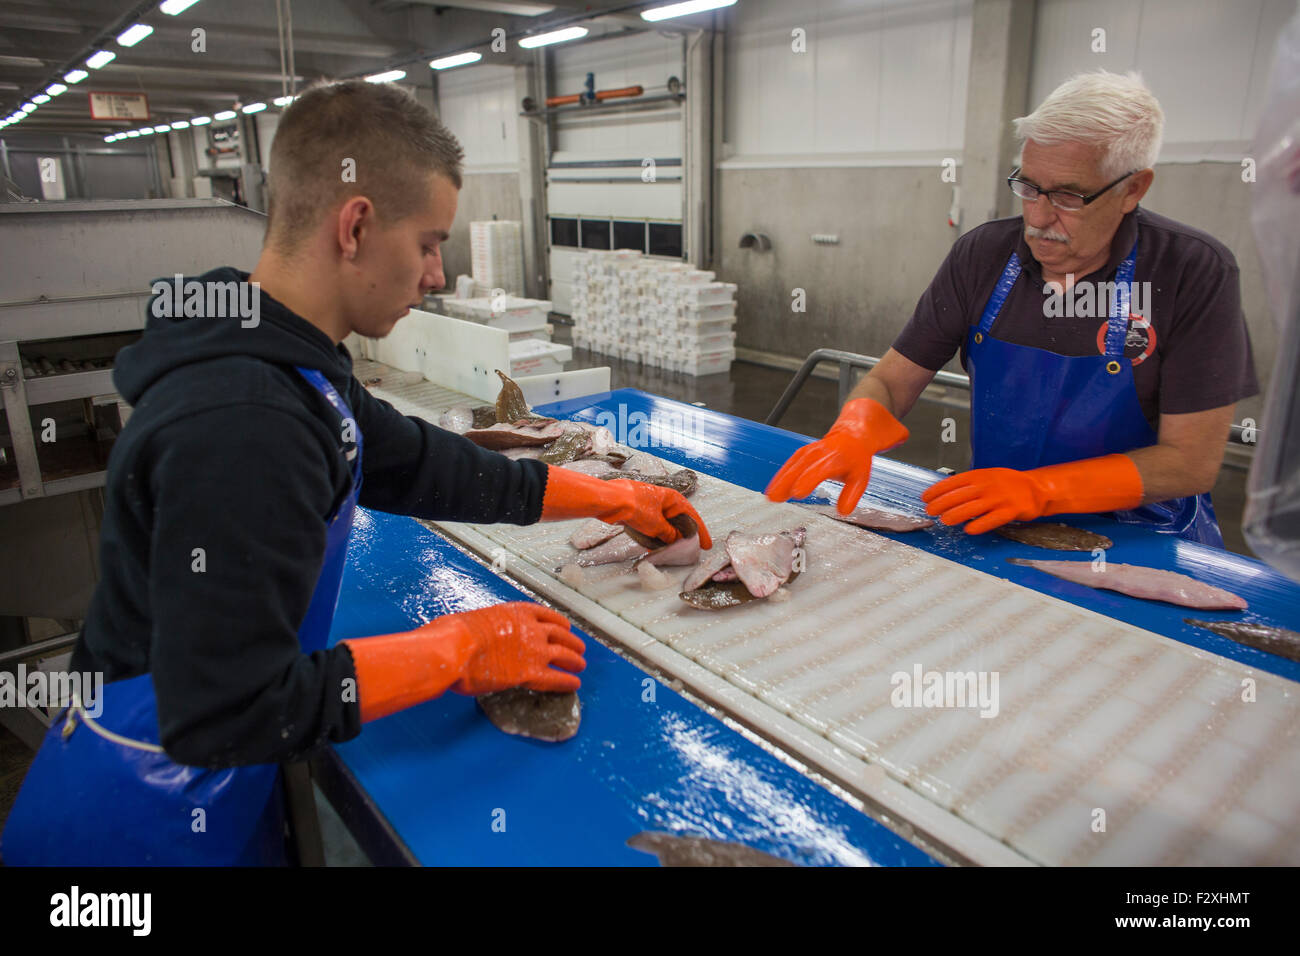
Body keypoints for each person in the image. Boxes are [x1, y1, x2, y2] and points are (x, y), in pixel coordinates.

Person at [1, 80, 710, 866]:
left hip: (211, 797)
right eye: (430, 244)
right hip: (133, 832)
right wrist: (459, 651)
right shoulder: (243, 422)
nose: (437, 275)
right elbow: (226, 711)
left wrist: (613, 497)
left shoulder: (291, 360)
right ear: (357, 226)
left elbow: (418, 463)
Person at [767, 71, 1257, 548]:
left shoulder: (1193, 271)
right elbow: (893, 381)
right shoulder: (983, 255)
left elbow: (1190, 461)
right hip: (998, 519)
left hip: (1142, 534)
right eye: (1028, 187)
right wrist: (854, 429)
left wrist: (1040, 490)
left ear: (1133, 189)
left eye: (1069, 196)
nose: (1039, 218)